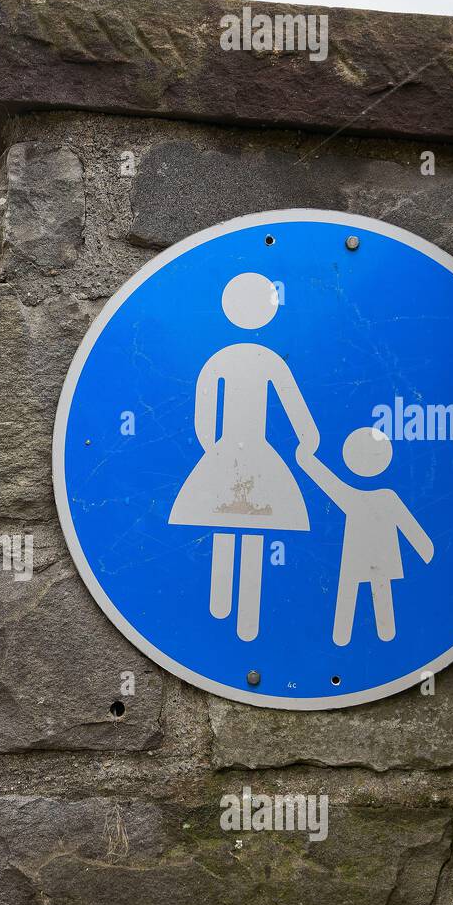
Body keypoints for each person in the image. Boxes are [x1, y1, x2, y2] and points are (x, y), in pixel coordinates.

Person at [169, 272, 318, 642]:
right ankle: (240, 619)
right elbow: (294, 405)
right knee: (254, 529)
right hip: (250, 451)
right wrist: (308, 439)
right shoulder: (267, 359)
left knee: (226, 524)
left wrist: (213, 452)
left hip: (228, 449)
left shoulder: (221, 359)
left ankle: (226, 609)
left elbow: (204, 417)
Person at [294, 427, 434, 646]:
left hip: (370, 556)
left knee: (365, 593)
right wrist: (425, 549)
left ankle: (353, 639)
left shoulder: (361, 497)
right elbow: (409, 525)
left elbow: (330, 483)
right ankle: (351, 639)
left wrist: (306, 460)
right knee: (365, 592)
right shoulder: (381, 497)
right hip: (366, 555)